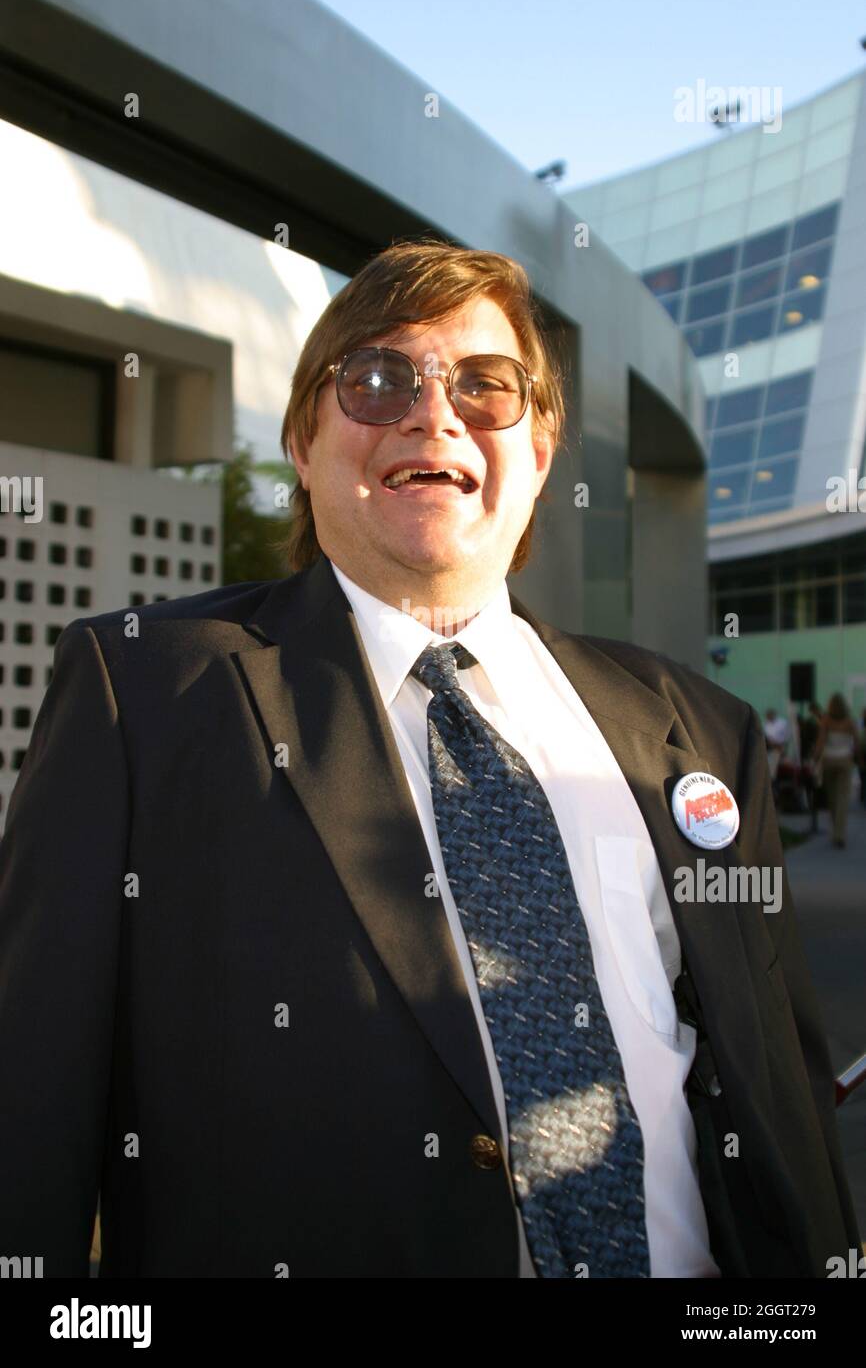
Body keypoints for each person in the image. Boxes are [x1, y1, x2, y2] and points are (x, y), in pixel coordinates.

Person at [0, 239, 858, 1279]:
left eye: (485, 386)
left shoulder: (694, 727)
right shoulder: (140, 694)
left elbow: (782, 1108)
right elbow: (30, 1110)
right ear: (305, 441)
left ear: (539, 453)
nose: (432, 412)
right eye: (375, 379)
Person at [813, 693, 863, 848]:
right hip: (845, 761)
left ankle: (835, 830)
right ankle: (839, 834)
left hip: (829, 761)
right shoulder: (850, 722)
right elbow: (857, 742)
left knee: (832, 798)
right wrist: (859, 757)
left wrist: (814, 758)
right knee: (842, 799)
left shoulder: (826, 721)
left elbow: (820, 742)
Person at [763, 708, 790, 794]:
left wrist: (779, 746)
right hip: (771, 750)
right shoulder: (766, 724)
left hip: (779, 749)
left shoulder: (782, 723)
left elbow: (785, 737)